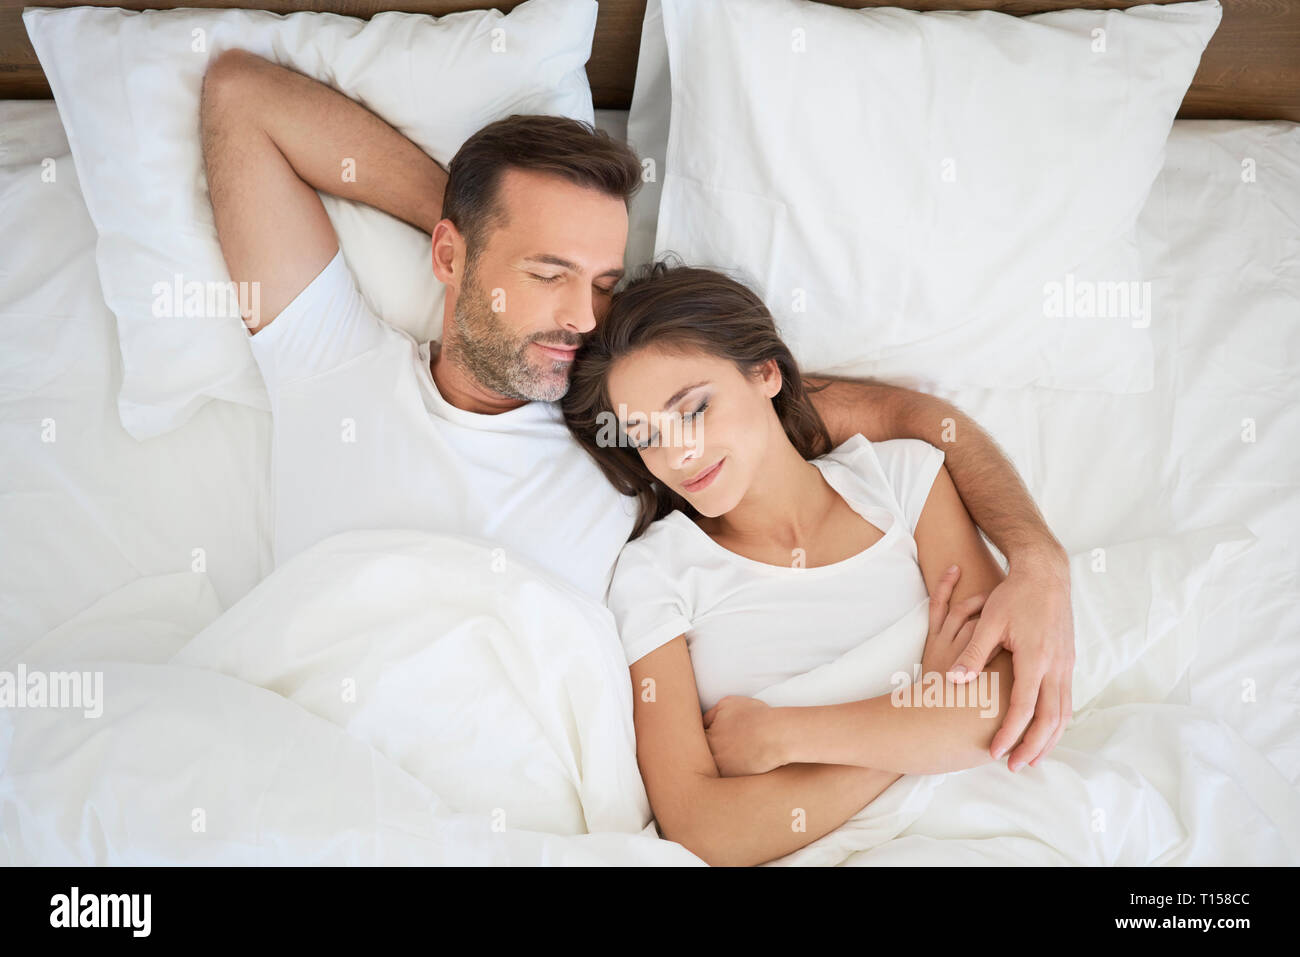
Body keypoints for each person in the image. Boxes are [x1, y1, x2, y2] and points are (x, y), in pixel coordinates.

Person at [199, 50, 1074, 783]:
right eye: (548, 273)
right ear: (447, 253)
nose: (583, 316)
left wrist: (1037, 557)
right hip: (295, 757)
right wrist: (464, 209)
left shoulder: (627, 429)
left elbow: (907, 415)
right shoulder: (331, 361)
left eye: (605, 282)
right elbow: (243, 99)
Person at [563, 262, 1039, 865]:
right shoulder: (654, 574)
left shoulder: (903, 480)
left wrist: (782, 736)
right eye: (646, 434)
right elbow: (702, 830)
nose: (679, 453)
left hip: (986, 821)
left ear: (765, 372)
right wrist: (924, 710)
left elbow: (1001, 703)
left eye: (693, 409)